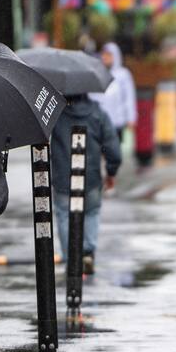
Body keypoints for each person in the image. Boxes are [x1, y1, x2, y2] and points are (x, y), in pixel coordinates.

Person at [50, 94, 122, 274]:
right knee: (91, 212)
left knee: (64, 215)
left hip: (62, 178)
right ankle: (88, 251)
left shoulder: (54, 113)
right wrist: (111, 172)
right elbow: (114, 150)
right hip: (91, 177)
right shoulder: (98, 113)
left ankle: (71, 259)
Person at [91, 42, 137, 143]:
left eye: (109, 55)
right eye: (104, 54)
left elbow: (129, 97)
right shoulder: (98, 73)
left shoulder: (123, 74)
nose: (105, 57)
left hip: (117, 122)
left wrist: (131, 118)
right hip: (100, 121)